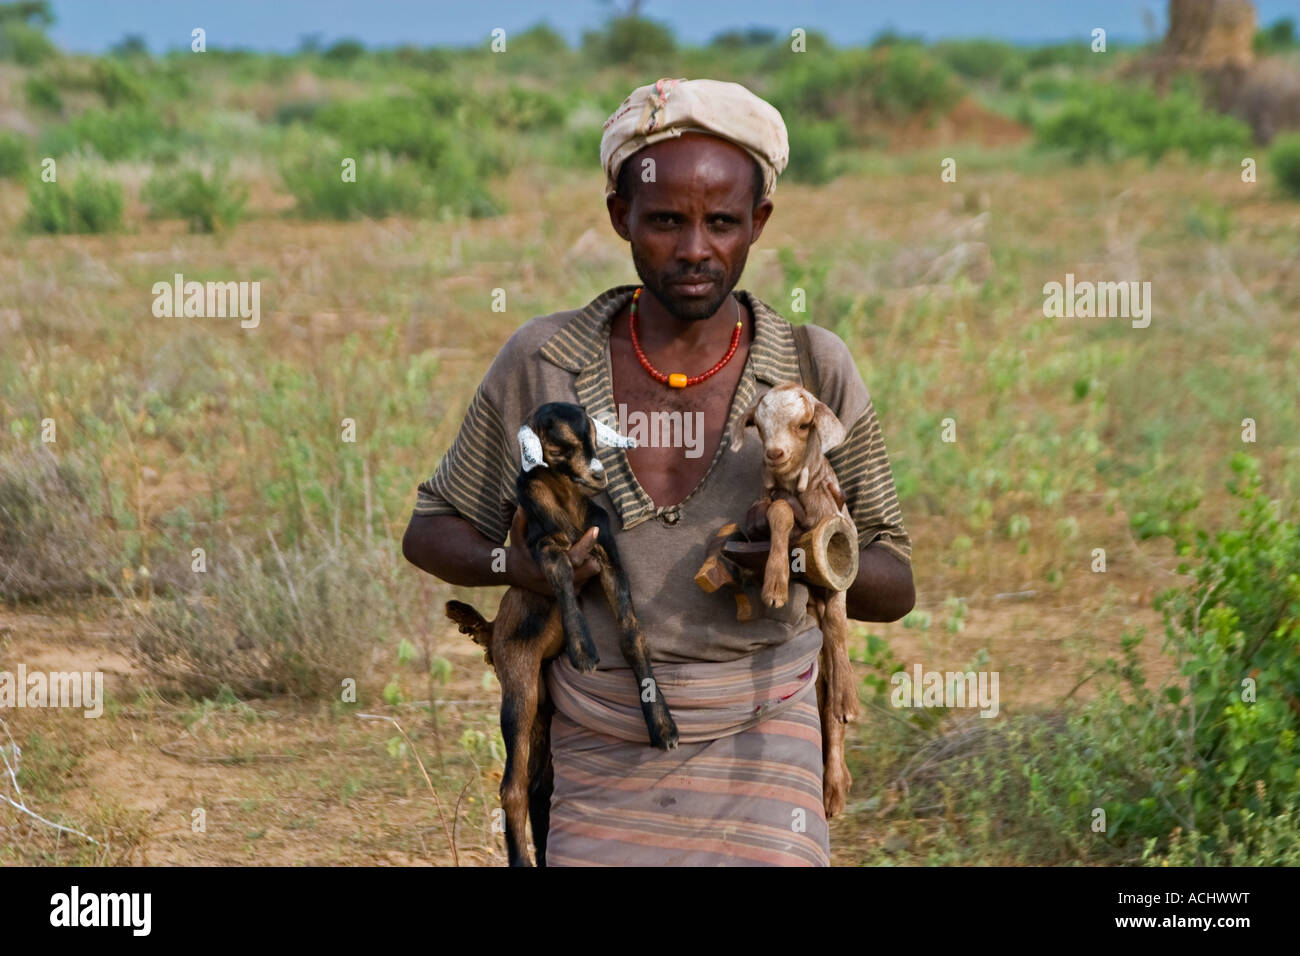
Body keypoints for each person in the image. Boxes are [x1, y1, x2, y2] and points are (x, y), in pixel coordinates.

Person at [402, 78, 914, 866]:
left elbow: (893, 578)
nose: (696, 249)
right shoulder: (544, 364)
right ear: (620, 217)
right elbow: (432, 530)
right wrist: (532, 570)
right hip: (596, 747)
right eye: (667, 220)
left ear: (760, 223)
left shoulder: (812, 368)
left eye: (723, 223)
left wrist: (810, 560)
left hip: (763, 745)